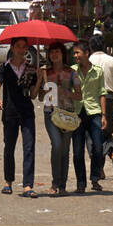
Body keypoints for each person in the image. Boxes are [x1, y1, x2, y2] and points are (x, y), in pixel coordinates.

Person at [0, 37, 41, 198]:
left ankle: (28, 185)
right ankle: (8, 182)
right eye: (18, 46)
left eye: (24, 47)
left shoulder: (31, 69)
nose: (21, 49)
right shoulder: (4, 68)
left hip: (27, 113)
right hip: (10, 114)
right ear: (12, 48)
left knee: (29, 148)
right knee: (9, 148)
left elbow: (33, 95)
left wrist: (39, 78)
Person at [39, 42, 82, 196]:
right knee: (57, 145)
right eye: (52, 52)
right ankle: (55, 182)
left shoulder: (71, 73)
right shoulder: (45, 73)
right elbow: (39, 97)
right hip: (50, 113)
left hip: (67, 115)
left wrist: (66, 92)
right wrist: (43, 86)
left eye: (57, 51)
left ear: (63, 54)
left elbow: (79, 95)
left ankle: (62, 185)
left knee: (64, 150)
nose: (54, 54)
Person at [71, 38, 109, 194]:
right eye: (74, 53)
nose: (75, 56)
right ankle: (81, 183)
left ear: (87, 53)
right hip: (77, 113)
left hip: (94, 113)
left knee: (98, 148)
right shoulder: (72, 71)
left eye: (77, 53)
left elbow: (102, 93)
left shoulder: (98, 71)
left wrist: (104, 115)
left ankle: (95, 178)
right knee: (78, 151)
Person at [89, 33, 113, 178]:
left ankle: (99, 168)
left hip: (92, 98)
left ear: (91, 47)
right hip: (109, 98)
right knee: (107, 131)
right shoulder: (112, 60)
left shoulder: (88, 59)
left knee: (92, 134)